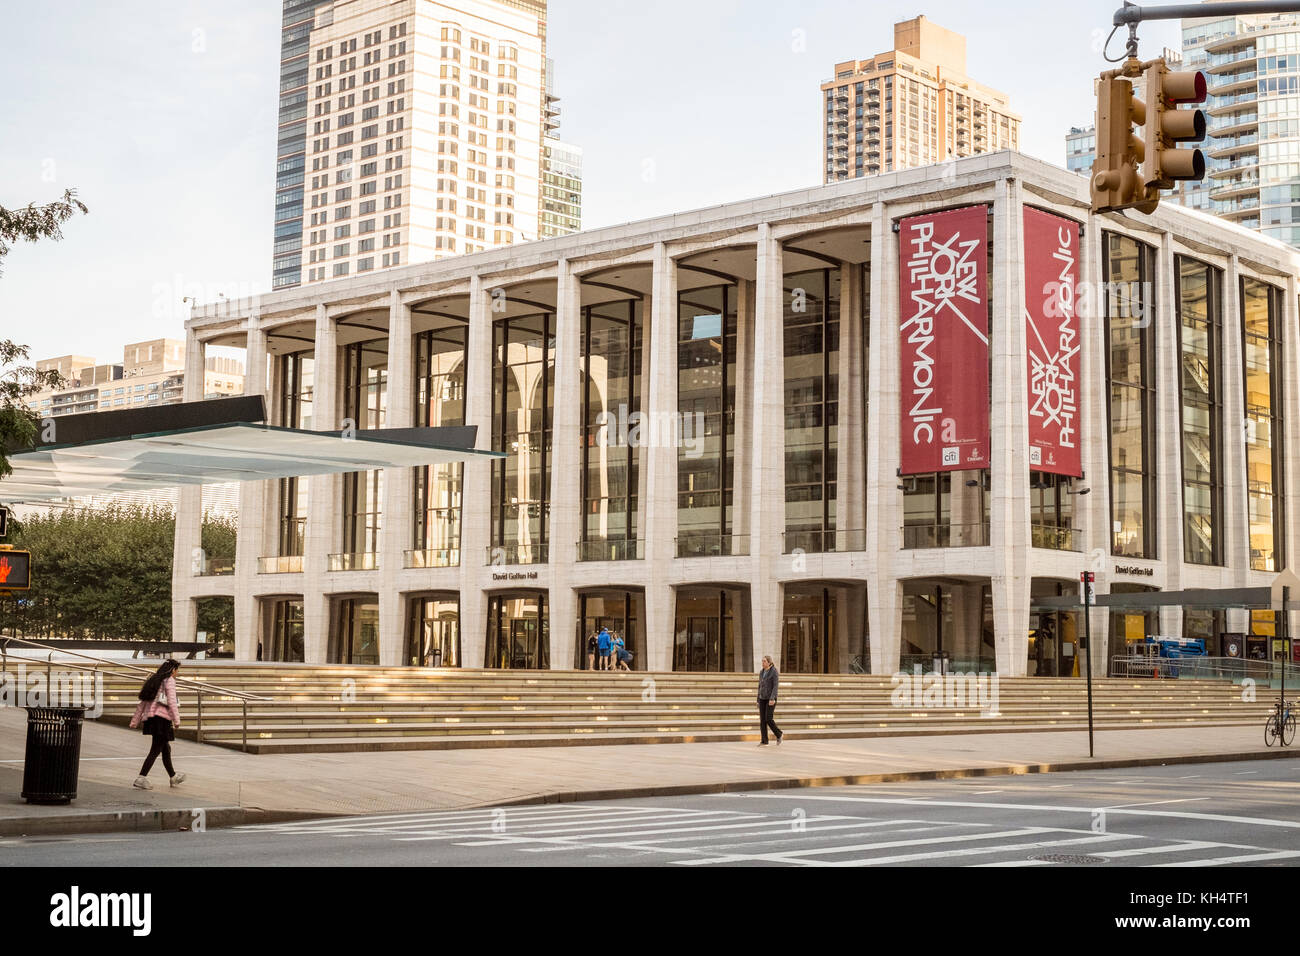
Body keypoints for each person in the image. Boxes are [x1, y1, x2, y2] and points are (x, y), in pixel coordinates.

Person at [129, 660, 186, 789]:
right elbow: (171, 701)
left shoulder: (154, 679)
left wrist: (135, 720)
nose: (177, 673)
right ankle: (141, 777)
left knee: (165, 748)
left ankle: (173, 777)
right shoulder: (169, 680)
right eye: (177, 670)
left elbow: (142, 702)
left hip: (151, 719)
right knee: (155, 749)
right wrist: (176, 720)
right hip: (162, 719)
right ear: (173, 670)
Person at [756, 655, 782, 746]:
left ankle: (778, 734)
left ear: (769, 662)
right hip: (762, 698)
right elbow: (759, 686)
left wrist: (772, 698)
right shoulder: (761, 672)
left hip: (771, 699)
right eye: (762, 661)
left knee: (768, 718)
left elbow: (775, 686)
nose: (762, 663)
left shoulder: (774, 671)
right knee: (762, 720)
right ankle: (764, 740)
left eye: (764, 661)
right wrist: (758, 699)